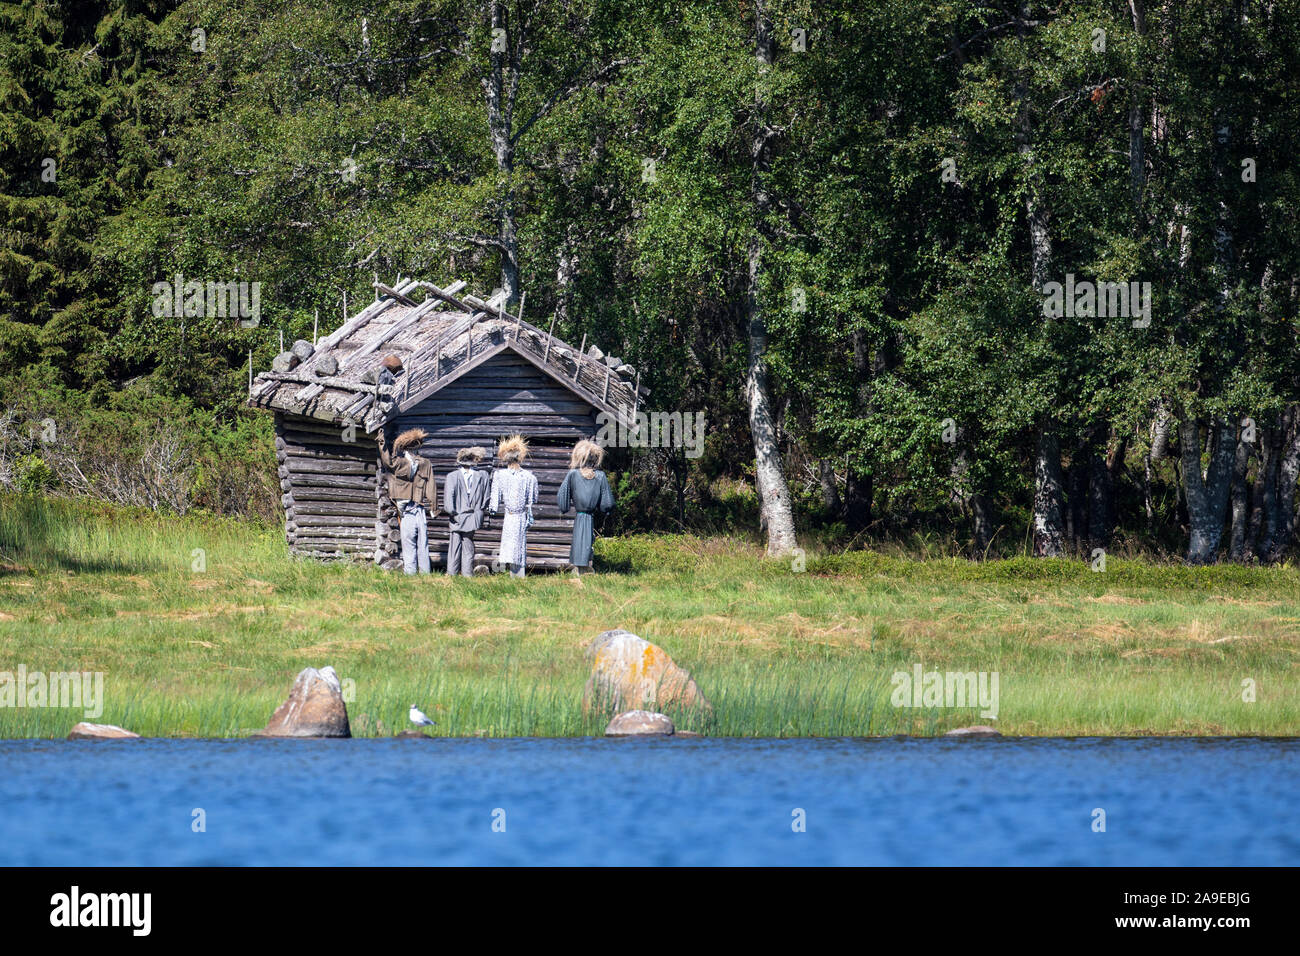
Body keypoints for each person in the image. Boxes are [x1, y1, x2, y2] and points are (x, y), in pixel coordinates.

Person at [376, 426, 435, 574]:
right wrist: (434, 507)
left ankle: (412, 573)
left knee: (411, 544)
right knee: (422, 543)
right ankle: (423, 573)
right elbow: (431, 486)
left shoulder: (402, 463)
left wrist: (382, 442)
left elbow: (387, 461)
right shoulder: (423, 463)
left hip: (409, 510)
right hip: (416, 509)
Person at [557, 439, 615, 572]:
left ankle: (582, 568)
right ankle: (581, 568)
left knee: (583, 541)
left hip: (583, 515)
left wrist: (564, 507)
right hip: (587, 516)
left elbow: (562, 499)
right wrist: (605, 510)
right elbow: (608, 503)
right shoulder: (599, 476)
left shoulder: (575, 474)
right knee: (584, 540)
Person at [489, 434, 538, 577]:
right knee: (510, 546)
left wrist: (493, 508)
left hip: (520, 515)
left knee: (519, 545)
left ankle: (518, 575)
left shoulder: (528, 477)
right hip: (510, 515)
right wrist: (494, 506)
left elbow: (533, 498)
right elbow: (495, 494)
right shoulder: (501, 475)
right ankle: (514, 574)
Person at [443, 446, 491, 577]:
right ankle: (467, 575)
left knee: (454, 547)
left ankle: (451, 574)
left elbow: (448, 500)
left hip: (457, 516)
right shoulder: (483, 475)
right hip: (472, 517)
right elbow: (486, 498)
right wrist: (478, 512)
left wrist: (452, 512)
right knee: (468, 545)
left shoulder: (452, 476)